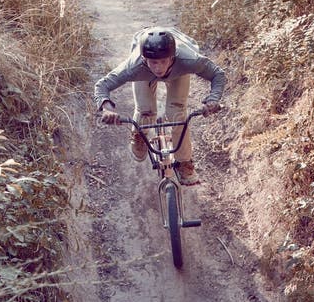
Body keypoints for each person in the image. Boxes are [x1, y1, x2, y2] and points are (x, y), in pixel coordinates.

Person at [94, 26, 225, 186]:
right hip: (144, 75)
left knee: (177, 112)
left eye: (163, 61)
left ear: (172, 57)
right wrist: (107, 107)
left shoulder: (188, 61)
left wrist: (213, 99)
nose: (159, 68)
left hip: (178, 72)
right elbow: (102, 85)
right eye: (153, 62)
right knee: (145, 112)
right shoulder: (135, 66)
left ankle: (184, 162)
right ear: (144, 59)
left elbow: (217, 74)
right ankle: (139, 136)